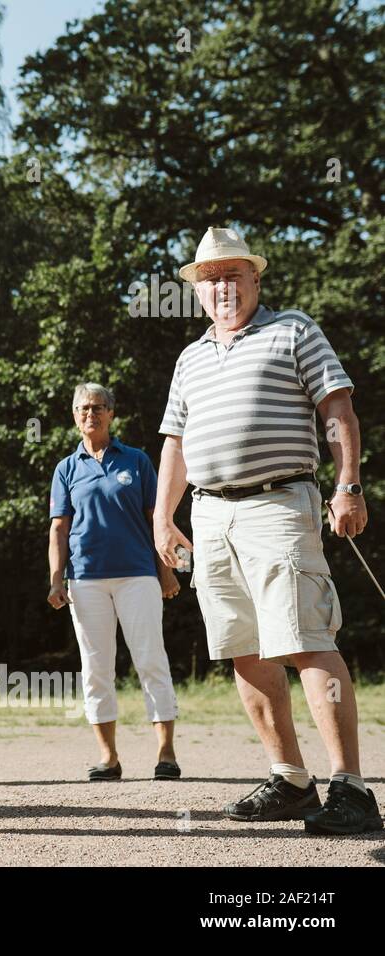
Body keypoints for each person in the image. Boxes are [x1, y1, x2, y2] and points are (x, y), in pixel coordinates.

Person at [154, 226, 380, 835]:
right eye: (210, 279)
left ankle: (352, 788)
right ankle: (291, 779)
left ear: (256, 278)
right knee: (241, 648)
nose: (221, 287)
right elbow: (175, 442)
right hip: (209, 513)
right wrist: (161, 516)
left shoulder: (294, 329)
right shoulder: (191, 357)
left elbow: (337, 408)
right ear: (198, 291)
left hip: (280, 503)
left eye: (232, 275)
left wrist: (348, 484)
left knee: (305, 638)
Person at [48, 383, 180, 781]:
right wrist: (56, 579)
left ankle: (166, 753)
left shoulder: (137, 461)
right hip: (85, 579)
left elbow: (159, 519)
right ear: (74, 416)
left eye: (98, 408)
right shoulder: (66, 469)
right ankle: (108, 757)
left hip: (138, 574)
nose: (91, 414)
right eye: (83, 408)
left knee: (150, 659)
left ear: (111, 414)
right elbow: (58, 527)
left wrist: (167, 569)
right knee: (95, 668)